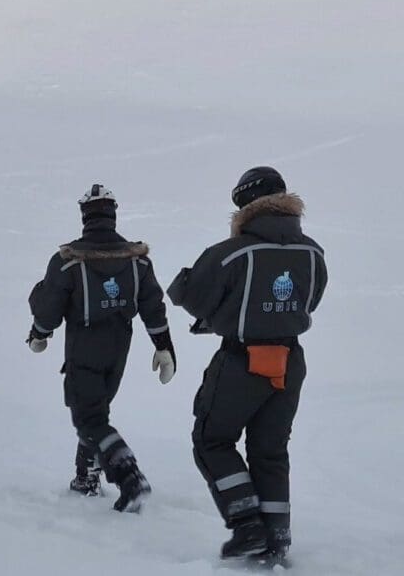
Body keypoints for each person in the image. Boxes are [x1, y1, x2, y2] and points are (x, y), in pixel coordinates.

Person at [167, 167, 327, 563]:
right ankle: (277, 536)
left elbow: (191, 293)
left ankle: (247, 525)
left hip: (243, 360)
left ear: (243, 205)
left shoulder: (233, 252)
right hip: (290, 360)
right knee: (270, 450)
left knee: (212, 440)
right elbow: (311, 301)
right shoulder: (313, 252)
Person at [26, 184, 173, 513]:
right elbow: (153, 306)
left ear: (85, 217)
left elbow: (49, 307)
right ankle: (87, 477)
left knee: (88, 417)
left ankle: (128, 474)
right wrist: (164, 347)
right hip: (120, 345)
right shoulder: (138, 263)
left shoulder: (67, 262)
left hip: (84, 345)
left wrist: (39, 334)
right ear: (113, 214)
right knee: (97, 411)